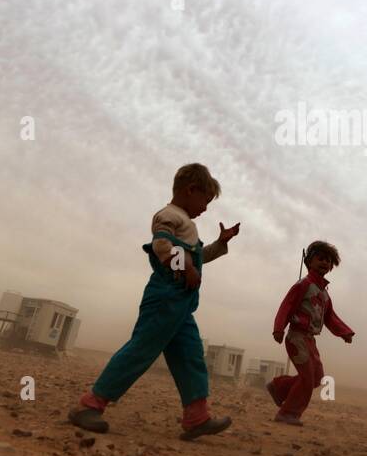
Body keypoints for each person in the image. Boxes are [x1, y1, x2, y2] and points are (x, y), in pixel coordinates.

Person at [68, 164, 240, 440]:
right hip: (164, 298)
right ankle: (90, 405)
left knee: (191, 356)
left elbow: (200, 257)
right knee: (141, 350)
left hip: (182, 307)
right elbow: (162, 246)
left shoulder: (187, 225)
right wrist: (186, 267)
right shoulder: (168, 215)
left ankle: (197, 417)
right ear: (190, 190)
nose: (205, 209)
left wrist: (221, 243)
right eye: (204, 201)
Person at [267, 241, 354, 425]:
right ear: (309, 261)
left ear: (332, 266)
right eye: (320, 258)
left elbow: (330, 318)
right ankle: (288, 413)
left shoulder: (324, 294)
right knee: (307, 377)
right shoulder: (303, 285)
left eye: (328, 261)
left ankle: (279, 387)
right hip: (296, 337)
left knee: (317, 378)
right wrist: (278, 328)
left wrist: (344, 332)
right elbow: (287, 306)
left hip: (310, 341)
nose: (325, 263)